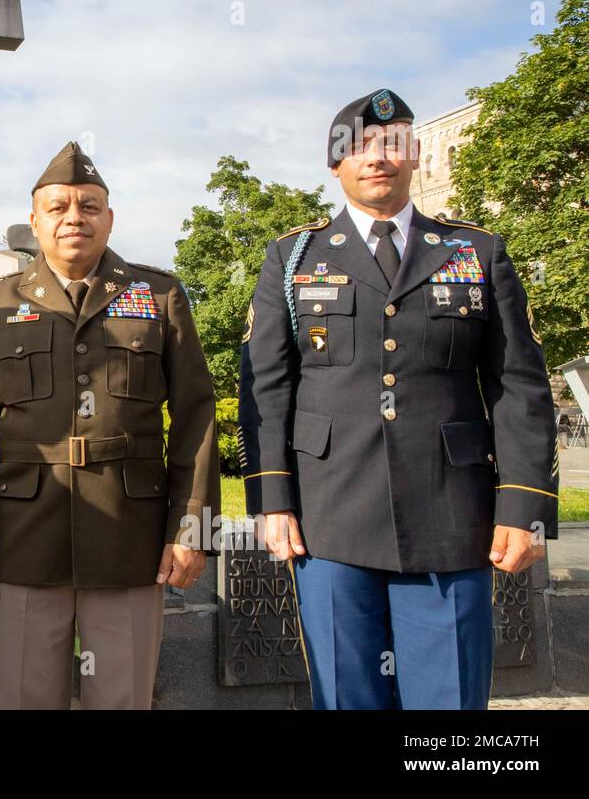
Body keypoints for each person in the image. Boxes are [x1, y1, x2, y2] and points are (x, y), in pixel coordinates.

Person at [238, 88, 559, 709]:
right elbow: (267, 385)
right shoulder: (292, 257)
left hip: (451, 513)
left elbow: (518, 383)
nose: (377, 156)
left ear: (416, 157)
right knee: (348, 693)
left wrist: (523, 506)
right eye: (358, 146)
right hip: (329, 515)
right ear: (334, 165)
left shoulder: (475, 252)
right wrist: (272, 498)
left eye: (393, 144)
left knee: (449, 702)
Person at [0, 140, 219, 709]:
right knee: (24, 699)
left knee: (121, 699)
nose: (75, 218)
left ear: (110, 218)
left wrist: (194, 529)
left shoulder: (159, 295)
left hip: (130, 536)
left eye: (90, 206)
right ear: (35, 220)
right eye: (60, 207)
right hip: (23, 538)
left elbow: (195, 417)